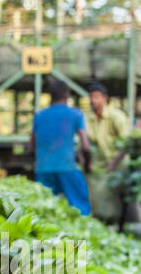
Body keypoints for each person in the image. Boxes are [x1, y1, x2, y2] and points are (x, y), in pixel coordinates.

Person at [29, 79, 92, 215]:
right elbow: (86, 146)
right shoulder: (75, 114)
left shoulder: (39, 116)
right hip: (67, 168)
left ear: (50, 95)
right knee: (80, 207)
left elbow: (31, 146)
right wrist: (87, 164)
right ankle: (83, 235)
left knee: (44, 211)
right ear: (67, 95)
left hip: (43, 169)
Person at [84, 82, 131, 224]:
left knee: (119, 195)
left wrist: (113, 164)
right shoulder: (88, 119)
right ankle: (100, 223)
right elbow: (85, 144)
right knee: (96, 195)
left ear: (105, 98)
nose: (94, 100)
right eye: (91, 97)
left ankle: (120, 225)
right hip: (99, 164)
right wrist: (87, 162)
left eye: (97, 97)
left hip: (117, 163)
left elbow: (126, 144)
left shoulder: (117, 117)